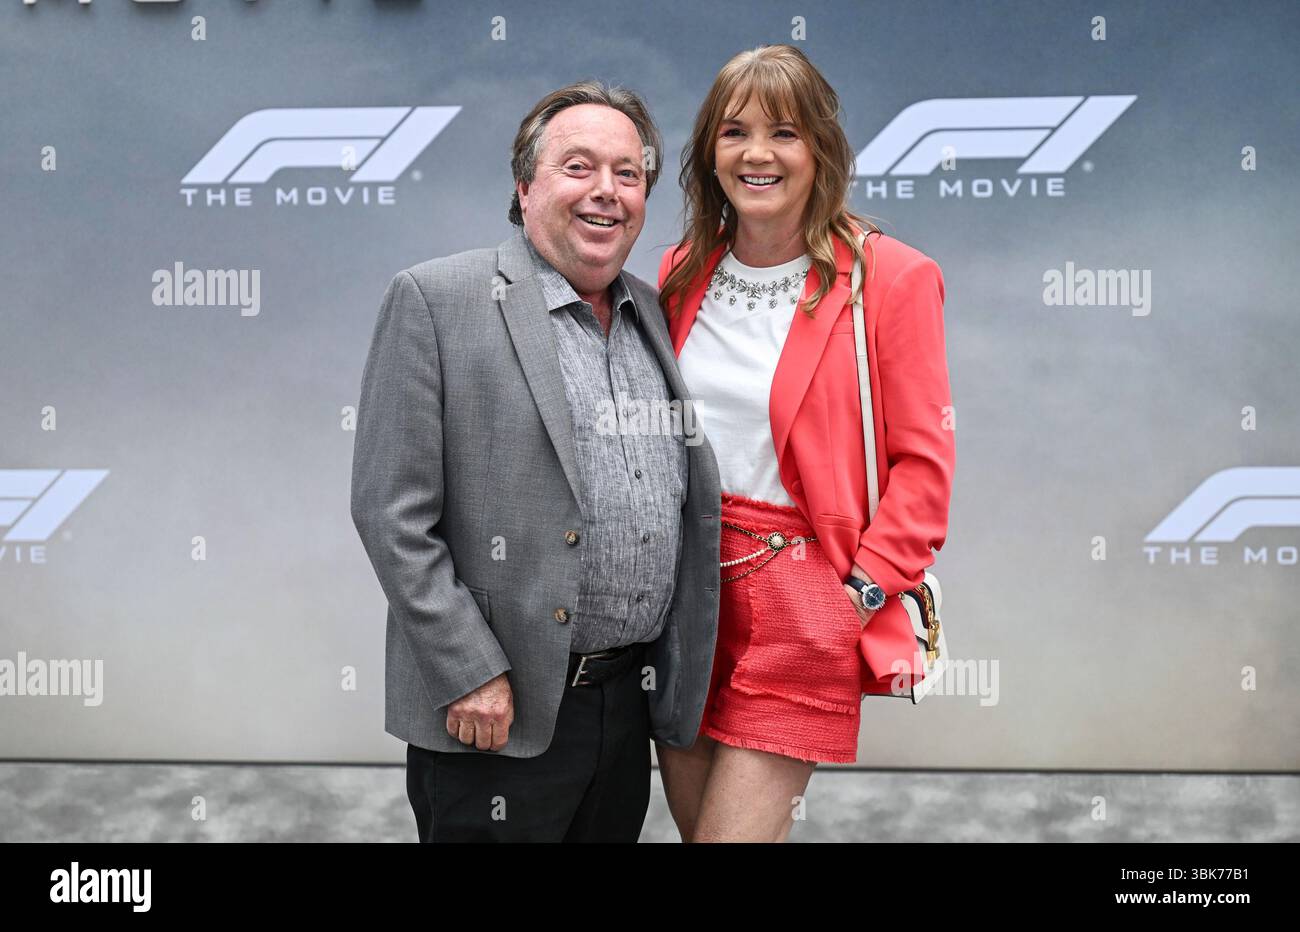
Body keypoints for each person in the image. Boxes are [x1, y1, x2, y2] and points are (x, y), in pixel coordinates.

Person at [350, 81, 721, 842]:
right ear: (525, 187)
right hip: (498, 711)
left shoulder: (650, 310)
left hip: (624, 711)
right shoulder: (436, 299)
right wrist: (468, 670)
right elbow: (391, 512)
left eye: (628, 173)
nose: (606, 193)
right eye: (578, 167)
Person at [655, 45, 955, 842]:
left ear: (821, 149)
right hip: (684, 599)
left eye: (784, 132)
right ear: (708, 154)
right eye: (734, 132)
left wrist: (853, 596)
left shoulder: (892, 277)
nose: (757, 153)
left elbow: (925, 468)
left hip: (802, 603)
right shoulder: (678, 273)